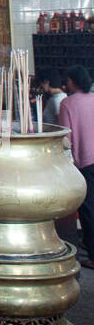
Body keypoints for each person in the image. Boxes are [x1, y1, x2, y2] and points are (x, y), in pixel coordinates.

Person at [58, 66, 94, 268]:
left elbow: (65, 140)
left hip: (86, 161)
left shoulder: (68, 104)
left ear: (72, 81)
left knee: (89, 208)